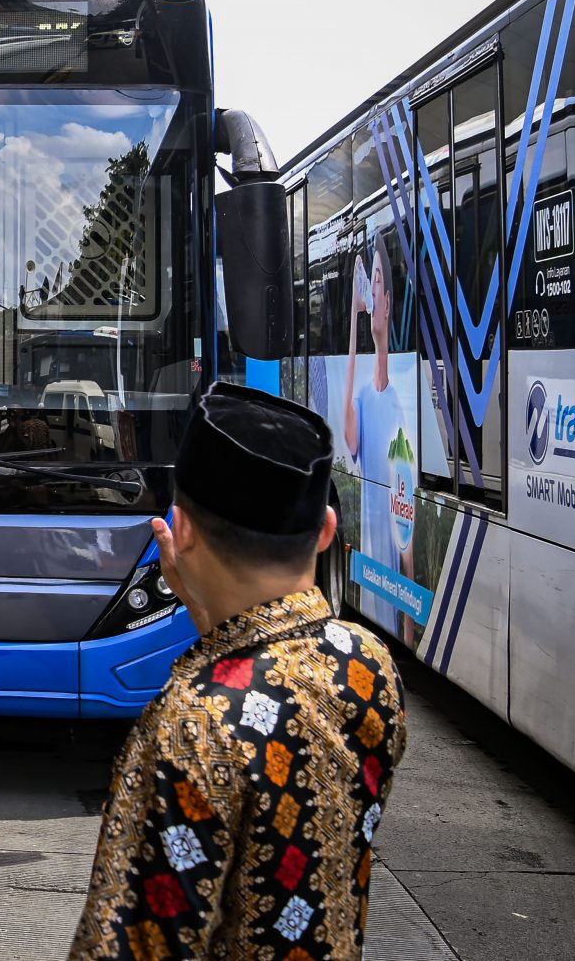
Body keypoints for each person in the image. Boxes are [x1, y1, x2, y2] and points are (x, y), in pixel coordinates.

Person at [71, 383, 407, 960]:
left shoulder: (191, 725)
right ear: (325, 532)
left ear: (183, 529)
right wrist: (209, 619)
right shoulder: (367, 663)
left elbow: (132, 942)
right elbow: (266, 673)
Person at [342, 235, 413, 637]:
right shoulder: (366, 397)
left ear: (387, 303)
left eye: (380, 281)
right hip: (371, 569)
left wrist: (408, 629)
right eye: (373, 280)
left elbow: (408, 527)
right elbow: (350, 437)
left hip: (389, 577)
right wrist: (354, 318)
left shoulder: (400, 407)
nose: (374, 288)